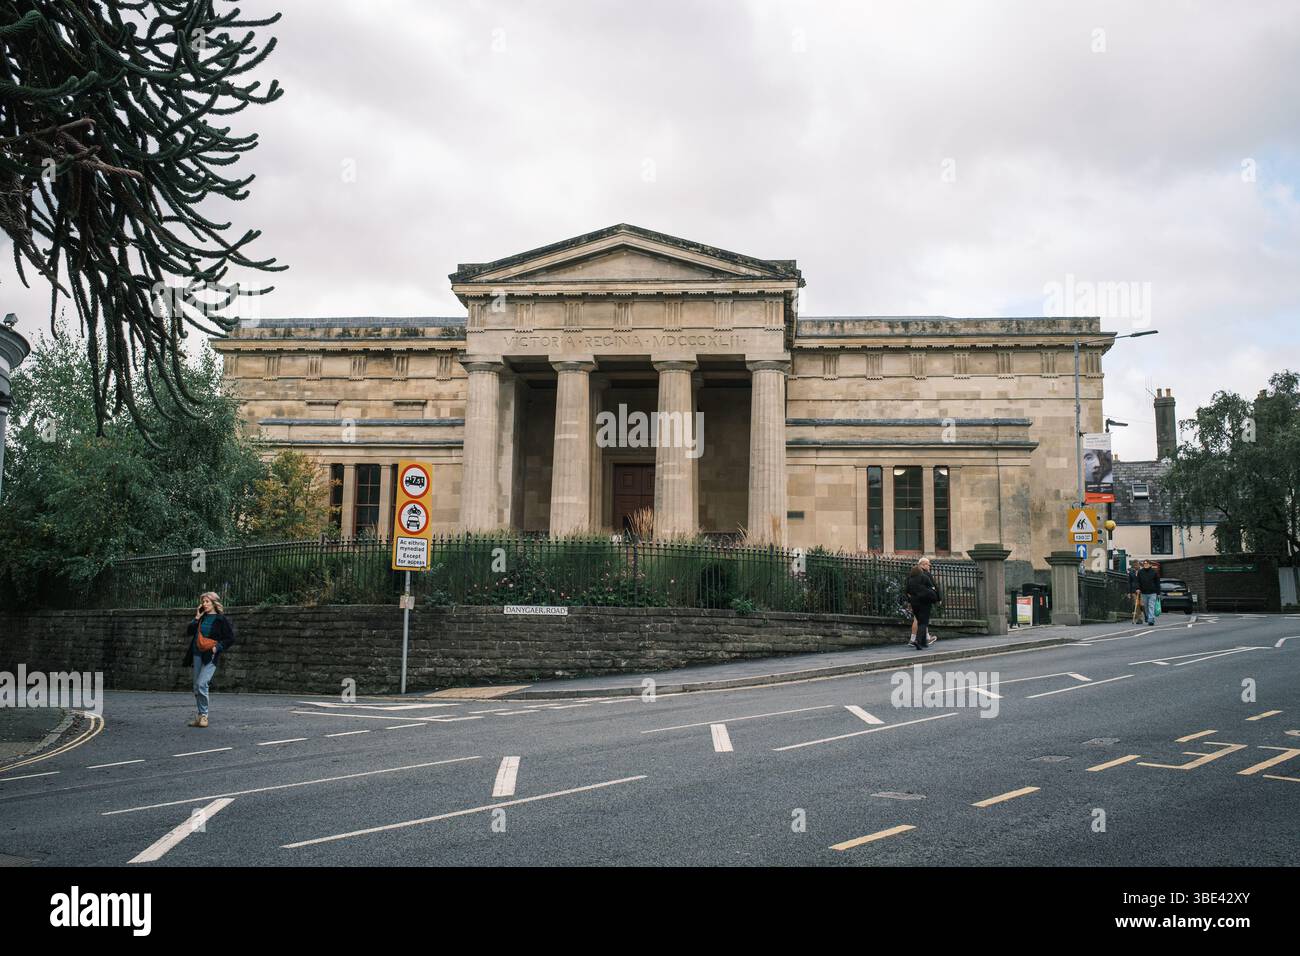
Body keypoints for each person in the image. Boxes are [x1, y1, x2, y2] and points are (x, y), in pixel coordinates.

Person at [182, 592, 235, 727]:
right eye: (203, 602)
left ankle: (204, 715)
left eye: (207, 601)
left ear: (214, 603)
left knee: (202, 684)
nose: (204, 604)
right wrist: (196, 617)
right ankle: (199, 716)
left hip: (210, 655)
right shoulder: (202, 617)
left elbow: (230, 638)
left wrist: (218, 647)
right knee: (196, 687)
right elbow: (189, 632)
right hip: (197, 653)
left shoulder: (220, 619)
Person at [906, 557, 943, 649]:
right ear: (922, 565)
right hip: (924, 601)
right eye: (928, 564)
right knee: (922, 622)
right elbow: (934, 587)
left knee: (919, 620)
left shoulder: (911, 577)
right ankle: (916, 640)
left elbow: (906, 590)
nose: (929, 566)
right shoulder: (925, 575)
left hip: (914, 602)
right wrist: (938, 598)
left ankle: (923, 640)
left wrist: (910, 601)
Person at [1136, 561, 1162, 626]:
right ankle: (1148, 616)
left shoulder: (1154, 572)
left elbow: (1157, 583)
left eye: (1147, 564)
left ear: (1150, 565)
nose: (1145, 565)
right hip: (1144, 592)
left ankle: (1151, 619)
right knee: (1146, 606)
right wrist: (1138, 588)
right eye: (1144, 564)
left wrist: (1158, 593)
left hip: (1152, 592)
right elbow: (1138, 581)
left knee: (1151, 605)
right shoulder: (1140, 572)